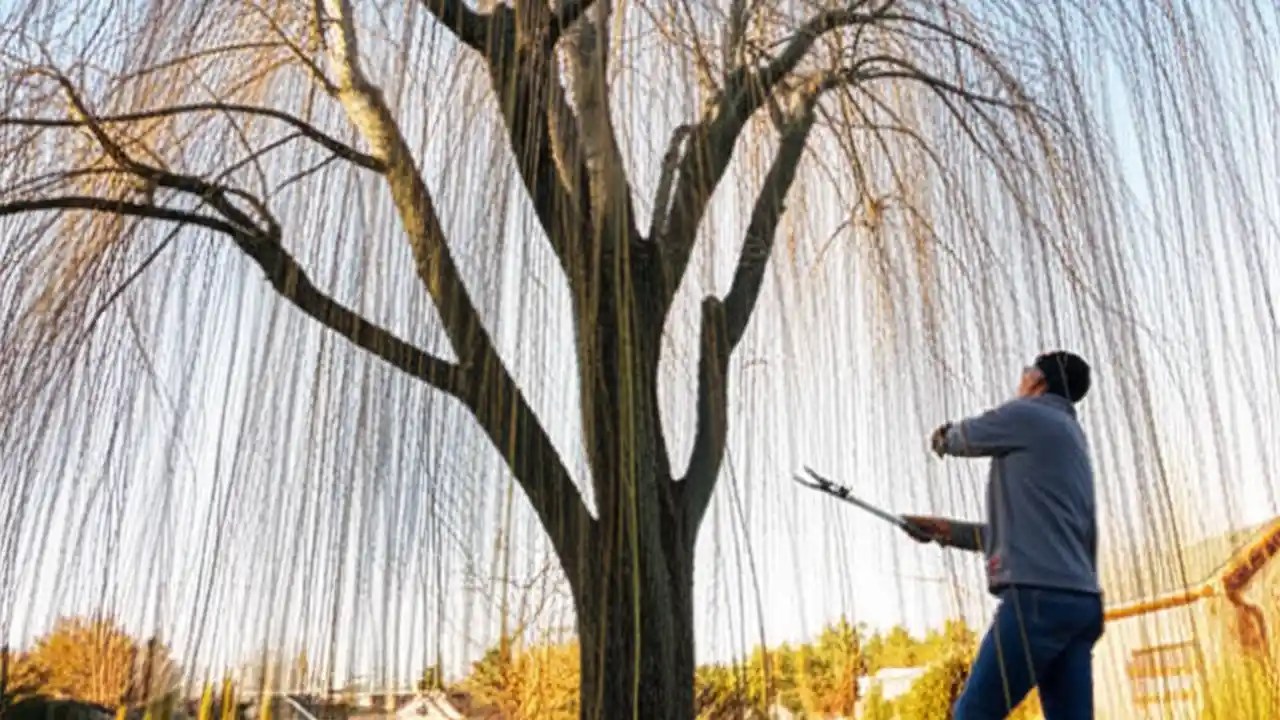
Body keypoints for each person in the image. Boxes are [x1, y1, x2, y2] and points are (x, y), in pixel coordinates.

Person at [902, 351, 1102, 720]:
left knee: (973, 715)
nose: (1020, 379)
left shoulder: (1027, 414)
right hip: (1083, 605)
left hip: (1038, 600)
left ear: (1038, 381)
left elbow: (957, 439)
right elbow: (1019, 536)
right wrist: (947, 531)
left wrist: (942, 436)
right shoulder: (1072, 438)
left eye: (1025, 372)